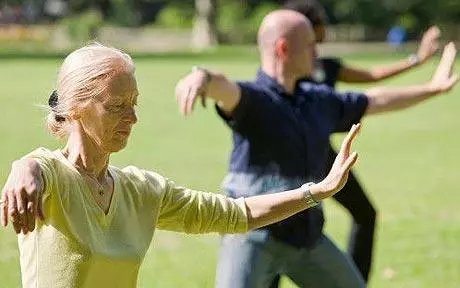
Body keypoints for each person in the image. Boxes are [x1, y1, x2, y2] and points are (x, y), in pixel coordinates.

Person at [0, 43, 361, 288]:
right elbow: (38, 167)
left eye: (134, 104)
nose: (132, 118)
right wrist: (23, 167)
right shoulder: (48, 176)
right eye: (116, 106)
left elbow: (236, 213)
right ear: (75, 108)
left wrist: (317, 191)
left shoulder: (140, 190)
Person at [174, 9, 458, 288]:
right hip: (252, 240)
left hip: (307, 241)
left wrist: (433, 89)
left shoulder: (317, 100)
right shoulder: (254, 101)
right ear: (283, 48)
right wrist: (202, 77)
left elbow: (375, 99)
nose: (316, 52)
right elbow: (223, 88)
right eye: (310, 45)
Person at [279, 0, 442, 283]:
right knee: (284, 227)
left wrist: (418, 59)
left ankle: (354, 280)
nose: (324, 28)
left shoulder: (327, 66)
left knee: (363, 214)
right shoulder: (286, 69)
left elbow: (371, 77)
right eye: (319, 22)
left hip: (325, 155)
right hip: (292, 157)